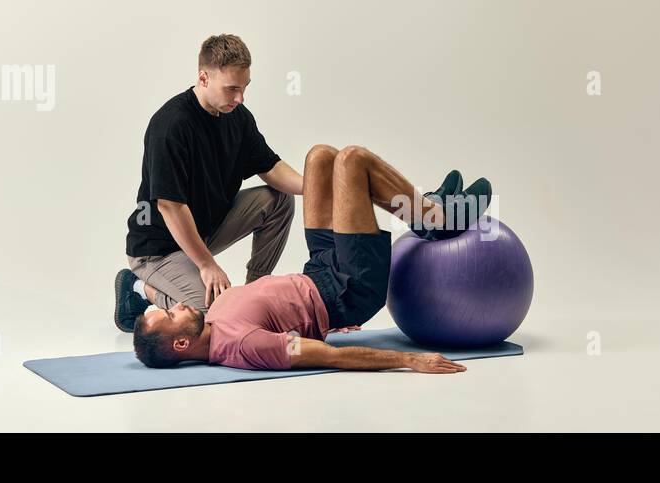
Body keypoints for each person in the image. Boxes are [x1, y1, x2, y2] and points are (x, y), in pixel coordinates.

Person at [132, 143, 491, 374]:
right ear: (181, 344)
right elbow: (328, 356)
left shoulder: (210, 319)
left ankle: (422, 207)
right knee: (353, 160)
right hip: (349, 288)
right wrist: (411, 361)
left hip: (318, 270)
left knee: (320, 158)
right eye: (170, 314)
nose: (177, 305)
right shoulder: (243, 345)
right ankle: (435, 219)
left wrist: (138, 286)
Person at [114, 34, 304, 333]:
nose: (239, 98)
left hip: (203, 231)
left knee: (279, 198)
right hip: (158, 248)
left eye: (244, 88)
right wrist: (207, 265)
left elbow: (270, 167)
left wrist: (313, 187)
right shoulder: (171, 125)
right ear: (203, 78)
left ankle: (254, 292)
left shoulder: (237, 117)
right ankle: (139, 288)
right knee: (214, 320)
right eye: (231, 89)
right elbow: (170, 206)